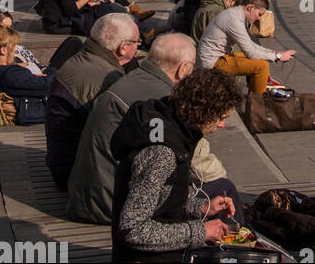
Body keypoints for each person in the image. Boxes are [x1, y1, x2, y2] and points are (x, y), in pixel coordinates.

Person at [67, 33, 233, 225]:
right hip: (112, 203)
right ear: (184, 68)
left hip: (90, 193)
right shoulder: (166, 100)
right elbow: (199, 164)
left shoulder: (134, 78)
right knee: (223, 187)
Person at [111, 69, 240, 262]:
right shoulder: (163, 153)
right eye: (220, 117)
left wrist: (202, 208)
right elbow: (132, 229)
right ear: (204, 113)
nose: (221, 125)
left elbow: (161, 202)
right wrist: (200, 232)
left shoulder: (172, 127)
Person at [45, 13, 140, 189]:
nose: (138, 47)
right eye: (137, 43)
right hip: (77, 175)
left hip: (63, 162)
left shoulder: (82, 59)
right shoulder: (107, 79)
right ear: (124, 47)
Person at [196, 0, 294, 94]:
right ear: (250, 7)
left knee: (259, 61)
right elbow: (250, 52)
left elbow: (250, 45)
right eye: (259, 14)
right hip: (212, 62)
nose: (259, 18)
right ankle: (257, 103)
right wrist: (277, 56)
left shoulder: (235, 14)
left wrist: (273, 53)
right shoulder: (234, 20)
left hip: (217, 57)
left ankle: (253, 98)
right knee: (262, 66)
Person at [0, 19, 51, 124]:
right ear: (3, 50)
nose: (16, 50)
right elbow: (48, 84)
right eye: (14, 45)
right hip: (45, 107)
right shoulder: (10, 75)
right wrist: (47, 69)